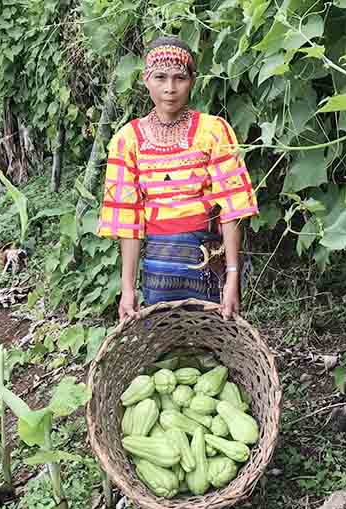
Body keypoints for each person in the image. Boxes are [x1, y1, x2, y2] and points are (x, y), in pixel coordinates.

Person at [96, 36, 259, 322]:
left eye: (179, 78)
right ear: (146, 80)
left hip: (209, 268)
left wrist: (233, 277)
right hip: (158, 273)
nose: (169, 88)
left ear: (192, 81)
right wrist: (128, 289)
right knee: (164, 341)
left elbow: (232, 209)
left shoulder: (214, 131)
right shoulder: (127, 140)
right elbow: (128, 221)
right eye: (160, 77)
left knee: (215, 340)